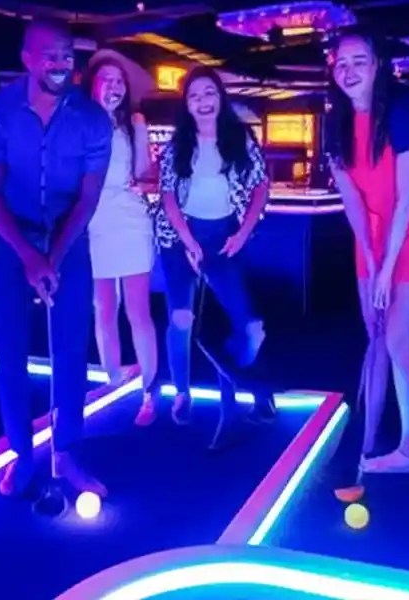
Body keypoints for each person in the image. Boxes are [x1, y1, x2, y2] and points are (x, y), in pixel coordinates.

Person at [0, 17, 112, 499]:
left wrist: (53, 255)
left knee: (71, 348)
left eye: (67, 53)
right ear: (27, 58)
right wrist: (30, 256)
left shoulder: (93, 119)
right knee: (10, 349)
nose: (59, 62)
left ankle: (67, 453)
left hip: (69, 243)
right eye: (49, 54)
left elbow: (88, 197)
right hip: (12, 242)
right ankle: (23, 455)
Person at [322, 28, 409, 473]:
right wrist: (371, 259)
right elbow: (352, 199)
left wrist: (388, 267)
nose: (349, 70)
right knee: (374, 336)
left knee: (397, 339)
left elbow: (408, 198)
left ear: (378, 66)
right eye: (341, 62)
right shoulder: (334, 123)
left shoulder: (404, 110)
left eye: (359, 61)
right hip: (373, 238)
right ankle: (367, 440)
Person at [155, 66, 276, 449]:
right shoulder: (179, 145)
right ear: (186, 104)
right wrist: (188, 241)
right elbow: (169, 196)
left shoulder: (239, 137)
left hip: (224, 236)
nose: (203, 102)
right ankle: (181, 391)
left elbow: (260, 186)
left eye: (209, 93)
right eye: (194, 96)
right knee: (182, 316)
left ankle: (251, 384)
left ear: (220, 97)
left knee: (252, 328)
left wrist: (243, 232)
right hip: (178, 236)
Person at [84, 50, 160, 425]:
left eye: (119, 82)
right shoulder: (79, 123)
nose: (113, 87)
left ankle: (150, 391)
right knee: (103, 308)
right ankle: (112, 377)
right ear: (93, 83)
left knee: (137, 311)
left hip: (130, 219)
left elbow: (146, 173)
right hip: (93, 222)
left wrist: (146, 180)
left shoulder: (135, 123)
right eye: (107, 80)